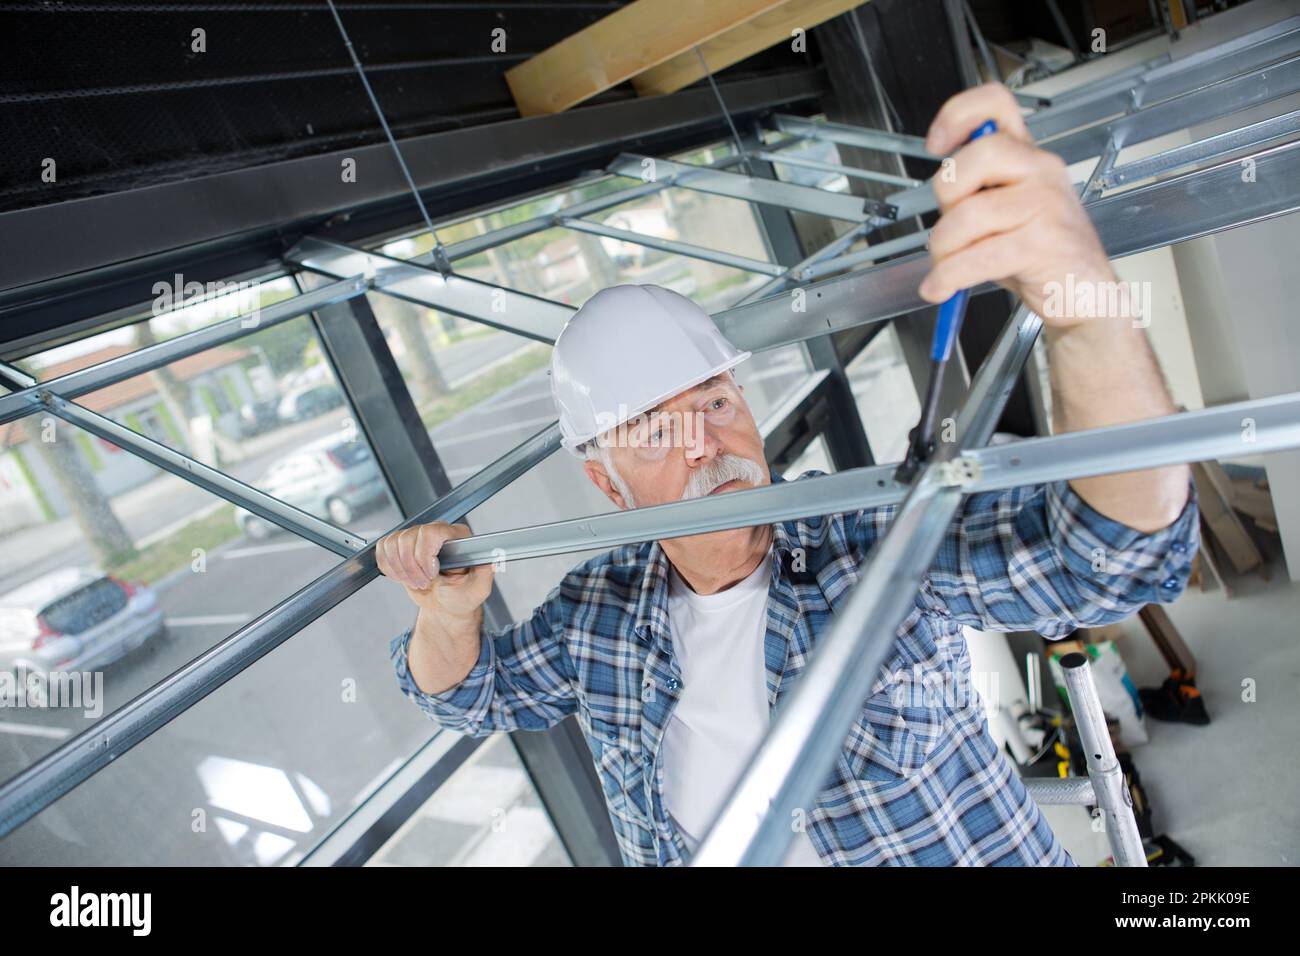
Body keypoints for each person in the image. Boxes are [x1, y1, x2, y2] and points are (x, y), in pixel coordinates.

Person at [378, 84, 1199, 866]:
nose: (706, 443)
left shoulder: (870, 537)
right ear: (608, 487)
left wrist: (1082, 301)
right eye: (658, 430)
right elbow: (468, 697)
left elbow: (1115, 555)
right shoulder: (599, 612)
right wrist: (447, 620)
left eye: (717, 402)